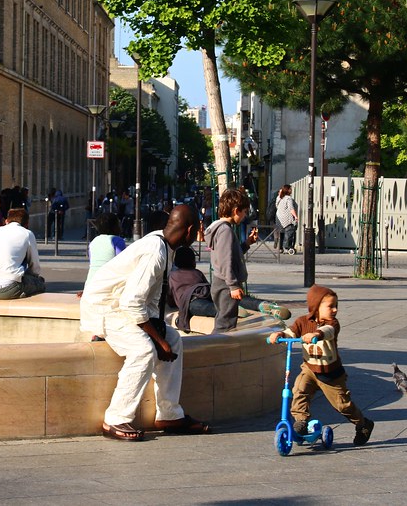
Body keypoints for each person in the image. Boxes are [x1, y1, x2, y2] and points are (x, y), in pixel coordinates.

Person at [80, 204, 209, 442]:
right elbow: (131, 303)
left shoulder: (163, 244)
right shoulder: (155, 252)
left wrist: (162, 335)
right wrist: (157, 340)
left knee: (174, 339)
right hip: (106, 307)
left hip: (122, 306)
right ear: (190, 230)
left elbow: (145, 300)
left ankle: (169, 414)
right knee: (143, 350)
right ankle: (115, 418)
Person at [268, 285, 374, 446]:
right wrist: (279, 334)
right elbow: (291, 333)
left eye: (336, 306)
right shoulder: (302, 322)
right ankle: (302, 422)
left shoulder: (333, 323)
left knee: (342, 405)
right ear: (315, 306)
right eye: (330, 306)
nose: (335, 310)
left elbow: (328, 330)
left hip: (331, 374)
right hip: (310, 369)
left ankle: (363, 424)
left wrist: (316, 334)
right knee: (299, 391)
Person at [169, 246, 289, 333]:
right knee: (233, 298)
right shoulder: (197, 272)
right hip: (206, 291)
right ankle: (260, 304)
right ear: (193, 262)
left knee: (207, 308)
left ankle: (230, 311)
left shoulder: (172, 275)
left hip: (192, 300)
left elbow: (170, 296)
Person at [205, 187, 258, 333]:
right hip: (225, 284)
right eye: (244, 212)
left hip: (221, 282)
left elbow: (231, 254)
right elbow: (225, 260)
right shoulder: (225, 230)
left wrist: (247, 243)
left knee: (224, 318)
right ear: (236, 210)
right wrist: (233, 285)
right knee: (225, 323)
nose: (244, 216)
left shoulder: (220, 228)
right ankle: (216, 351)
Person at [0, 207, 45, 299]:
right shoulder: (27, 234)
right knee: (39, 282)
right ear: (26, 224)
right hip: (10, 287)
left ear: (6, 221)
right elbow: (35, 266)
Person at [87, 212, 126, 282]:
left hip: (90, 283)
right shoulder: (117, 241)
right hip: (108, 283)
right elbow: (122, 264)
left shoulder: (93, 242)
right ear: (114, 226)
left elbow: (92, 262)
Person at [274, 184, 298, 255]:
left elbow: (276, 206)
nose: (291, 190)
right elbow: (291, 208)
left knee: (281, 233)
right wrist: (296, 216)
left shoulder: (279, 198)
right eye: (290, 189)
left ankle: (280, 247)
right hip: (286, 218)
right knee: (289, 232)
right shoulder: (288, 198)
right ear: (287, 190)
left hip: (279, 218)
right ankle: (287, 247)